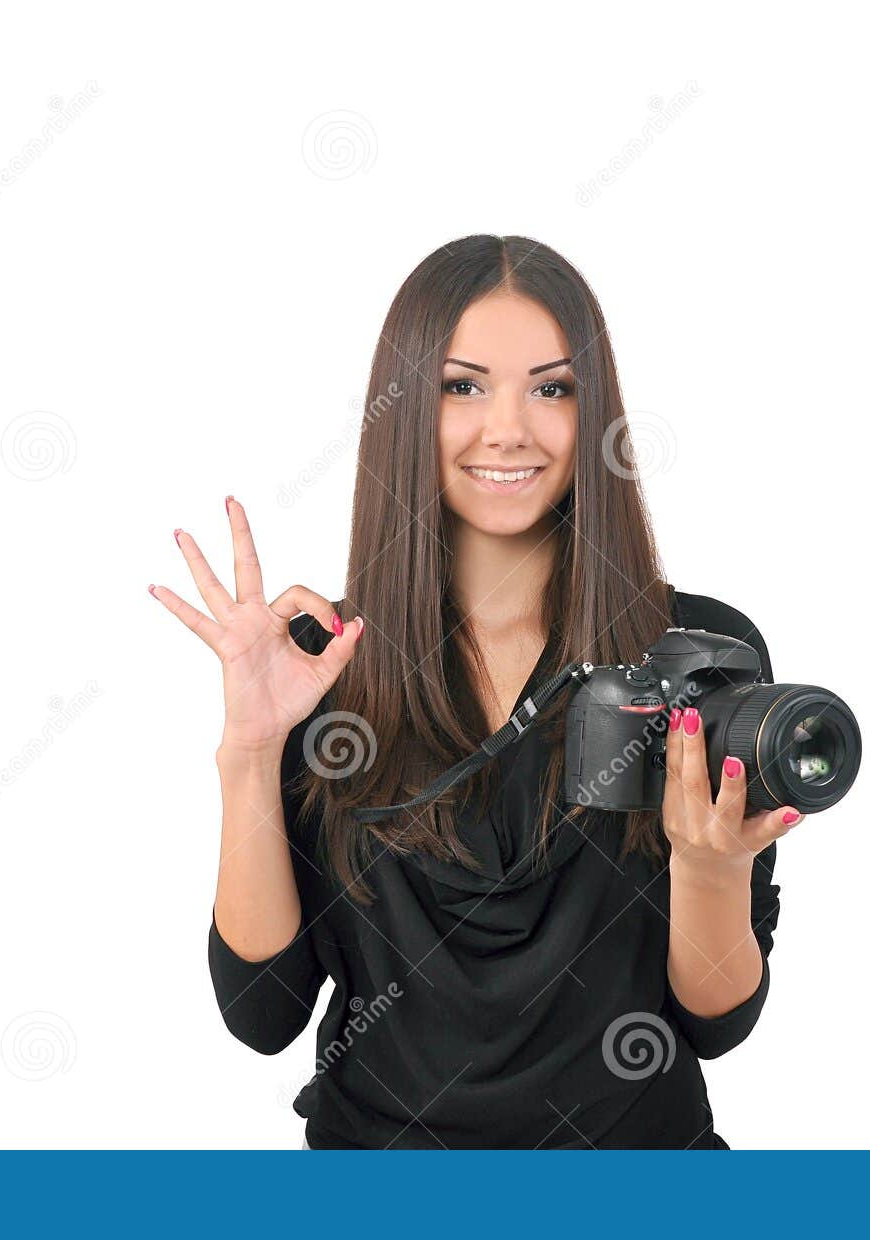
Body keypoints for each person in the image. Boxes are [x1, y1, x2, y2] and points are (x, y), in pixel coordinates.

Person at [150, 235, 804, 1148]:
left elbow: (716, 1023)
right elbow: (263, 1015)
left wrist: (709, 864)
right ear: (405, 410)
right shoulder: (319, 664)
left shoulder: (700, 654)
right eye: (463, 387)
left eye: (550, 388)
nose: (509, 429)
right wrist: (253, 756)